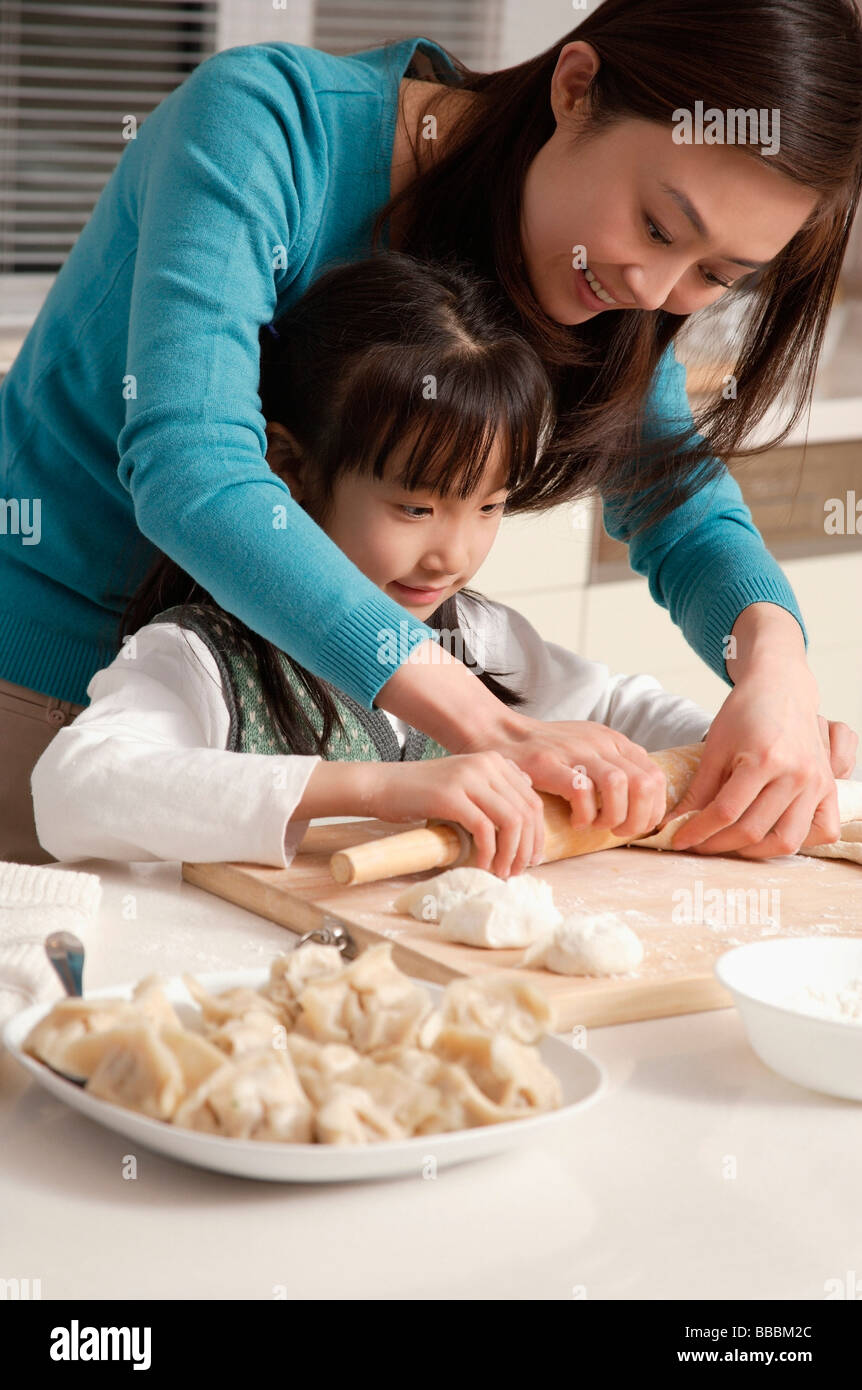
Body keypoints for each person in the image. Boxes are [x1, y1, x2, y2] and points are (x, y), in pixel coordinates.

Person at [4, 0, 862, 868]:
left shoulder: (584, 269)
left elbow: (682, 506)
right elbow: (196, 469)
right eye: (657, 226)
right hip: (51, 693)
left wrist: (776, 672)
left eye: (716, 274)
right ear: (575, 87)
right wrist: (484, 721)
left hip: (297, 734)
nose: (653, 288)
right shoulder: (269, 124)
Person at [30, 251, 731, 872]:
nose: (452, 556)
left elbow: (615, 707)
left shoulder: (478, 638)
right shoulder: (203, 657)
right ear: (289, 469)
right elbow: (75, 790)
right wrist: (385, 790)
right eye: (416, 509)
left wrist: (735, 740)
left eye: (488, 508)